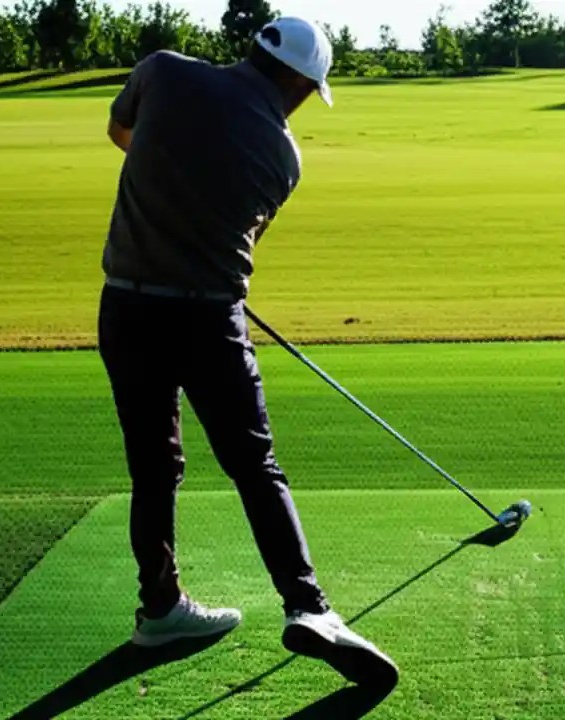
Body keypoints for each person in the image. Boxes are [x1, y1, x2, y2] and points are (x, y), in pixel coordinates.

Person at [96, 17, 398, 687]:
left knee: (154, 468)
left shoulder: (163, 70)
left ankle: (160, 610)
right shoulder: (284, 155)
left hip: (125, 307)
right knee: (255, 465)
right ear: (295, 79)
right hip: (208, 319)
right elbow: (244, 232)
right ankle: (308, 606)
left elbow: (124, 137)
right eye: (306, 91)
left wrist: (168, 189)